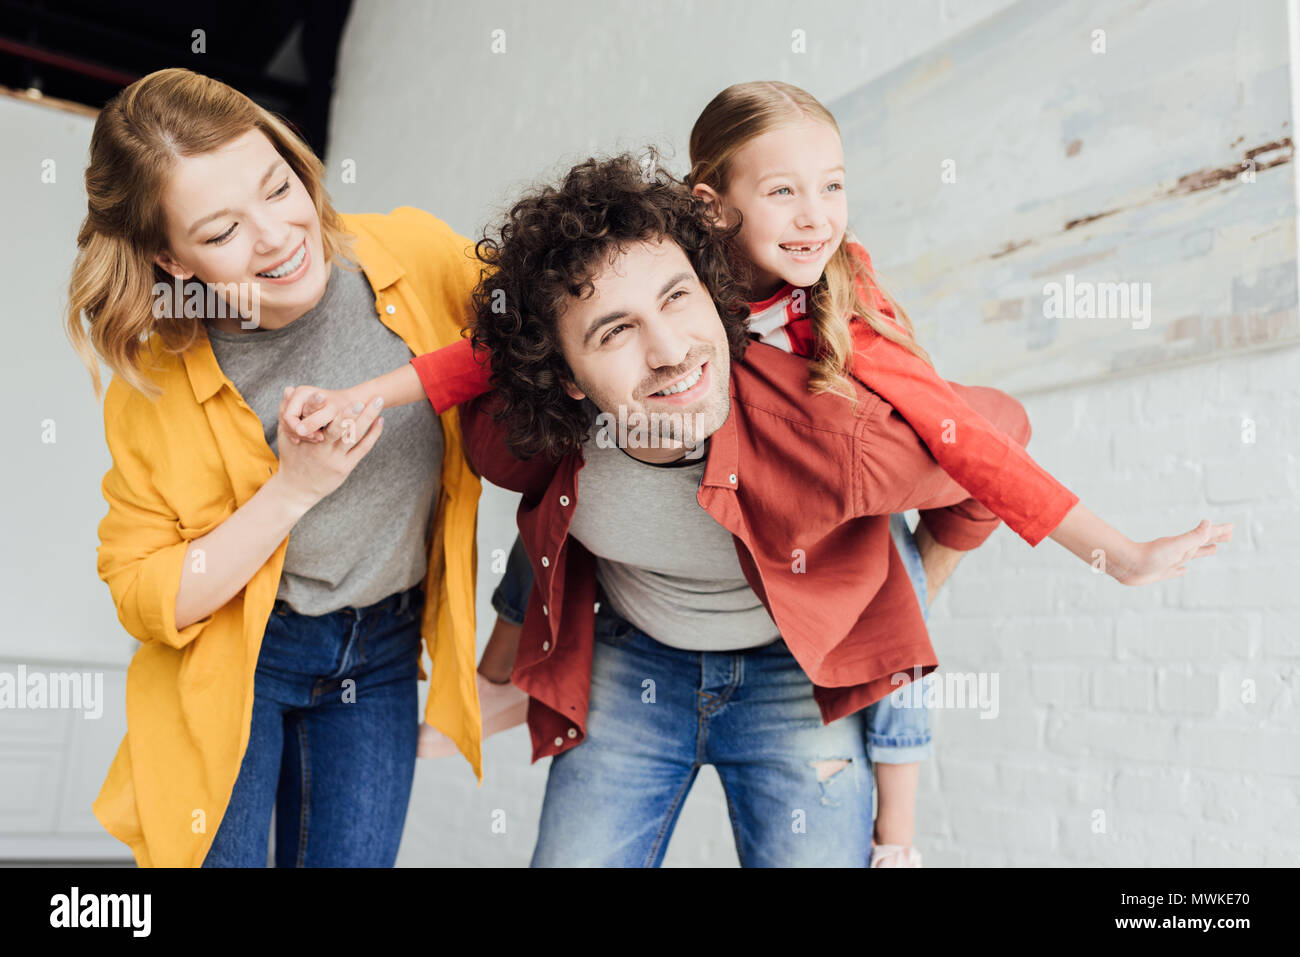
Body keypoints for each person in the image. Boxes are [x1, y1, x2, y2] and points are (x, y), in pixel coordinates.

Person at [287, 153, 1228, 865]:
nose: (669, 351)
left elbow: (996, 442)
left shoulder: (841, 436)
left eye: (678, 300)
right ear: (567, 379)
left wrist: (919, 587)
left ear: (718, 294)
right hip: (633, 673)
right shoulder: (527, 439)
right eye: (615, 332)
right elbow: (522, 523)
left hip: (792, 686)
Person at [65, 68, 485, 867]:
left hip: (382, 652)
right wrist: (293, 487)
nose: (279, 235)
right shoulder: (157, 381)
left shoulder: (413, 257)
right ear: (172, 258)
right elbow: (144, 593)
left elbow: (541, 328)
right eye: (221, 232)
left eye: (279, 186)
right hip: (240, 659)